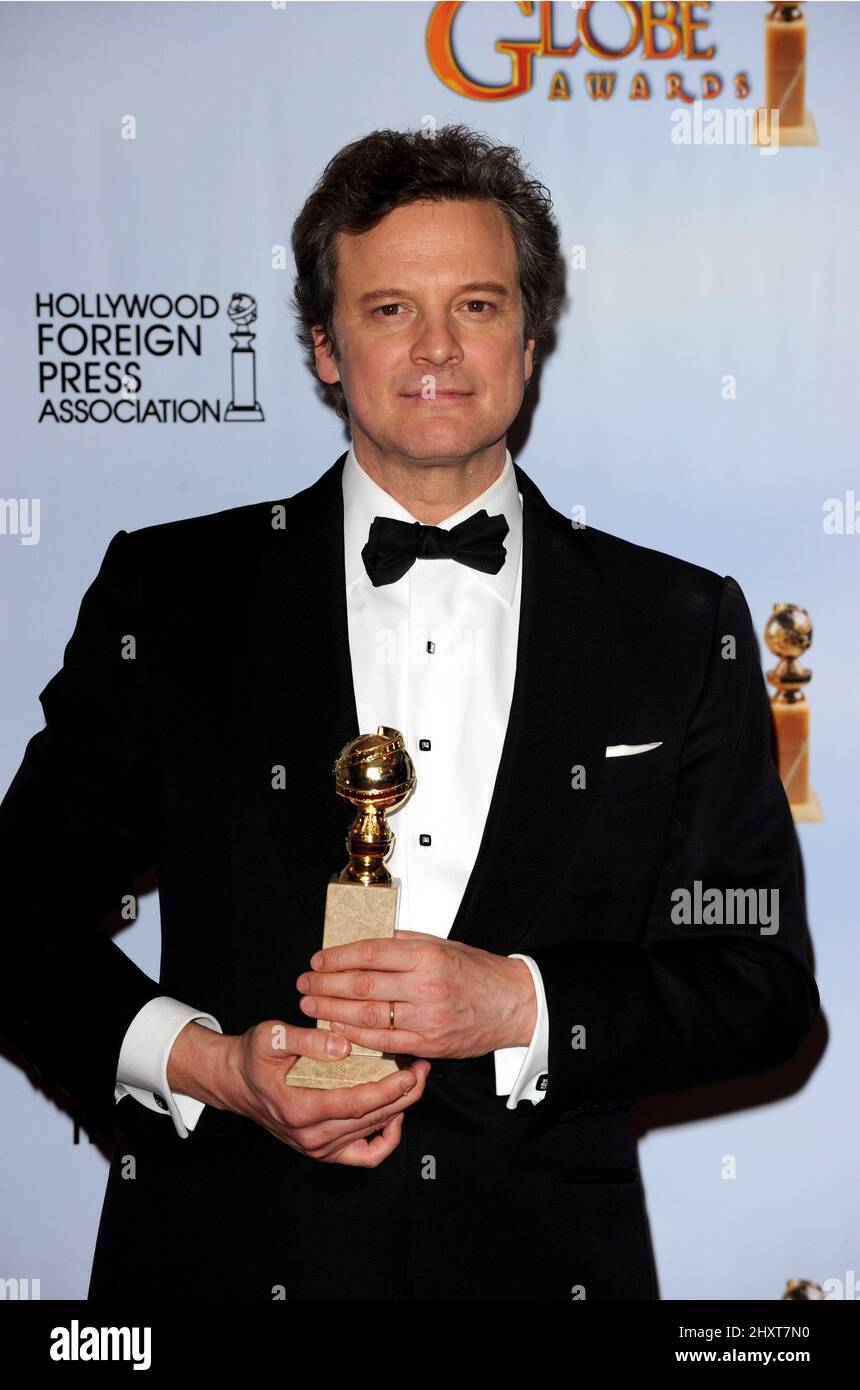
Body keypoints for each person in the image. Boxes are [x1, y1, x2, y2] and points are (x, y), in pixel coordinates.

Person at [0, 125, 819, 1301]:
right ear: (324, 347)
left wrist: (517, 1002)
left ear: (529, 341)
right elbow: (15, 916)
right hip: (223, 1265)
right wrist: (214, 1067)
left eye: (476, 305)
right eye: (388, 310)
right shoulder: (173, 598)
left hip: (543, 1276)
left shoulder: (676, 622)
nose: (436, 348)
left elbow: (756, 982)